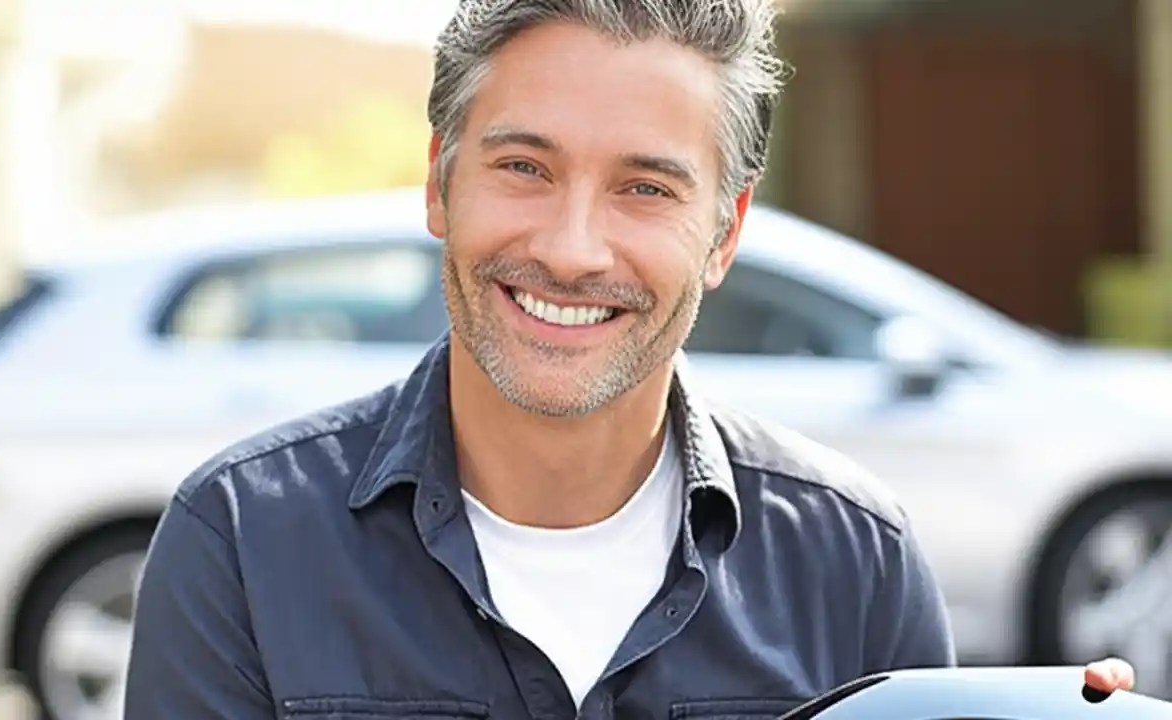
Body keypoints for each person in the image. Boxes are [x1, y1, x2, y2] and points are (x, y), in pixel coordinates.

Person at [122, 1, 1135, 717]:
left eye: (644, 188)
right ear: (438, 184)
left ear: (724, 232)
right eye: (523, 168)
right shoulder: (240, 546)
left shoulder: (854, 563)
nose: (569, 248)